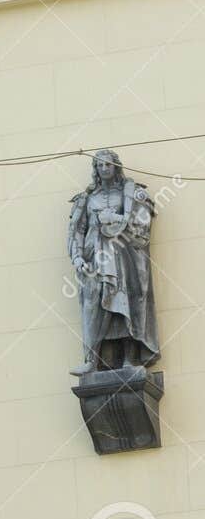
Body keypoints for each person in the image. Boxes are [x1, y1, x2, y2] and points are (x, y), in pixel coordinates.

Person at [68, 149, 159, 373]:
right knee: (96, 307)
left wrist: (115, 218)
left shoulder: (130, 192)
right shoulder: (87, 198)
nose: (104, 168)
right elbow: (78, 230)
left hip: (122, 259)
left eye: (107, 164)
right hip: (94, 261)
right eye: (99, 166)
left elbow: (142, 223)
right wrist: (78, 256)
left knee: (122, 303)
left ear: (115, 166)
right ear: (96, 170)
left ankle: (129, 359)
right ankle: (94, 360)